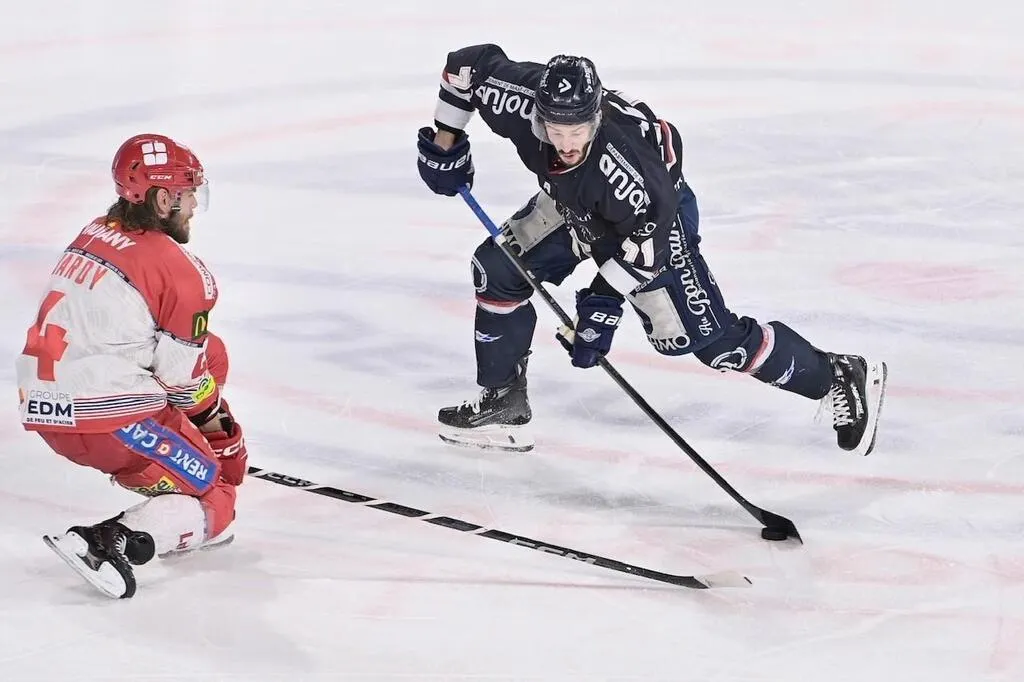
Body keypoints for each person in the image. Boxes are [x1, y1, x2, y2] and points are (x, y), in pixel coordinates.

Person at [416, 45, 887, 456]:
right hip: (578, 203)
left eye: (577, 131)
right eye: (554, 130)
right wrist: (446, 140)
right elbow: (466, 69)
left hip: (655, 225)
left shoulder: (627, 170)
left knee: (708, 341)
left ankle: (834, 375)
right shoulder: (521, 99)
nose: (565, 143)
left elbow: (644, 251)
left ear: (596, 115)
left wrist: (600, 304)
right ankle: (503, 399)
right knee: (496, 269)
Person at [16, 133, 247, 599]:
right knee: (218, 503)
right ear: (163, 199)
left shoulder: (94, 231)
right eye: (186, 194)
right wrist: (224, 435)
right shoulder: (184, 274)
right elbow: (182, 380)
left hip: (43, 408)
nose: (193, 207)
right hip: (107, 417)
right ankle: (104, 542)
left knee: (212, 350)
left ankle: (176, 463)